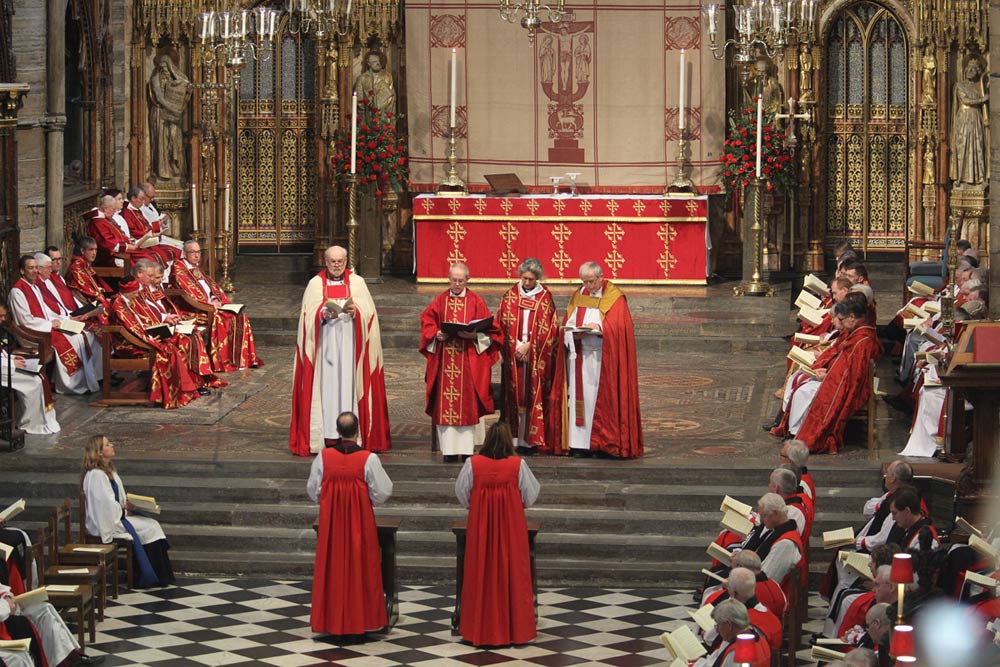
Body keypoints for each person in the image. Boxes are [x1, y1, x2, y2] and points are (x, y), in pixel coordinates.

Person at [290, 246, 390, 456]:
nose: (337, 265)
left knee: (348, 388)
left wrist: (357, 313)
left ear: (346, 261)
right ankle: (327, 434)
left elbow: (370, 317)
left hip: (351, 349)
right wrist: (322, 314)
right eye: (333, 261)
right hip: (325, 351)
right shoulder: (315, 284)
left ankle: (352, 435)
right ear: (325, 262)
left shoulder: (358, 283)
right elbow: (307, 317)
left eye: (340, 262)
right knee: (328, 390)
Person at [307, 411, 392, 635]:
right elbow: (383, 491)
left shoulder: (323, 458)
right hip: (360, 523)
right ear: (358, 431)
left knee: (331, 568)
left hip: (332, 524)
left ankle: (330, 620)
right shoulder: (368, 459)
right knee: (362, 567)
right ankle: (363, 620)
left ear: (337, 432)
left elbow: (313, 491)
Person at [454, 422, 540, 647]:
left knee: (480, 572)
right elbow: (530, 496)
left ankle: (479, 629)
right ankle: (514, 629)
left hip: (481, 528)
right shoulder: (518, 465)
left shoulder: (472, 464)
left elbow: (462, 494)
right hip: (511, 529)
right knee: (512, 574)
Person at [776, 298, 882, 453]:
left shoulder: (863, 340)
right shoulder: (856, 332)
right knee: (800, 380)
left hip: (849, 387)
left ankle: (798, 437)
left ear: (852, 317)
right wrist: (824, 370)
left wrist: (827, 376)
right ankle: (796, 432)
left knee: (805, 392)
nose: (841, 324)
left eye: (841, 320)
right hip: (836, 377)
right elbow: (843, 361)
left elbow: (853, 374)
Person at [420, 263, 502, 462]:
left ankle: (466, 451)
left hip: (468, 363)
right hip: (445, 361)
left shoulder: (476, 302)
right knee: (445, 403)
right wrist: (436, 334)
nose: (456, 284)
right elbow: (427, 324)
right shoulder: (440, 301)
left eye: (461, 281)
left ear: (468, 280)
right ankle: (448, 451)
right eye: (453, 280)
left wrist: (475, 335)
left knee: (468, 406)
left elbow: (493, 331)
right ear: (448, 279)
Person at [561, 261, 642, 459]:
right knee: (581, 400)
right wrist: (572, 333)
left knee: (604, 398)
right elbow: (568, 322)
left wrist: (599, 328)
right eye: (585, 282)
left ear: (600, 277)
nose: (588, 286)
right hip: (579, 357)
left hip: (603, 358)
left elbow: (620, 328)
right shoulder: (579, 295)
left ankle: (604, 443)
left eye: (591, 282)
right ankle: (580, 444)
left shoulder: (614, 297)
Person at [81, 435, 174, 588]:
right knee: (150, 527)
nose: (112, 445)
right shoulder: (96, 475)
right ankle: (147, 576)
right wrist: (124, 512)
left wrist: (129, 505)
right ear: (98, 452)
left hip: (116, 517)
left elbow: (117, 498)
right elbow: (105, 505)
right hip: (107, 523)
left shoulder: (109, 470)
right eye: (107, 444)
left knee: (152, 524)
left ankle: (157, 574)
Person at [9, 255, 102, 395]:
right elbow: (25, 320)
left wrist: (62, 321)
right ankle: (71, 385)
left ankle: (89, 379)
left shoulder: (33, 287)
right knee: (75, 339)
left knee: (83, 334)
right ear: (22, 271)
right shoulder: (17, 291)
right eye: (30, 268)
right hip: (31, 334)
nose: (35, 271)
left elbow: (45, 313)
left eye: (36, 268)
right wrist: (50, 325)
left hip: (44, 327)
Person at [497, 258, 562, 455]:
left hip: (535, 357)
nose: (526, 283)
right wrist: (515, 346)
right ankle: (514, 438)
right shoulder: (510, 296)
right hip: (513, 354)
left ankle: (531, 440)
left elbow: (551, 330)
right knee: (514, 396)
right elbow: (501, 323)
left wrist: (529, 347)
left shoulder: (544, 298)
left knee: (533, 394)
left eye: (531, 280)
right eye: (524, 278)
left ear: (537, 279)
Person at [109, 276, 204, 409]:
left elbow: (138, 322)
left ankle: (184, 387)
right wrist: (149, 340)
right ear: (128, 292)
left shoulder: (126, 299)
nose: (137, 294)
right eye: (135, 292)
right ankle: (167, 394)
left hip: (139, 338)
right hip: (128, 345)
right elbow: (132, 328)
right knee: (167, 351)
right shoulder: (119, 305)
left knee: (176, 341)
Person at [170, 241, 262, 372]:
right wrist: (209, 305)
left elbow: (210, 286)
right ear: (184, 254)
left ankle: (241, 359)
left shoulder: (195, 267)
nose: (196, 256)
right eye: (192, 252)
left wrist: (216, 298)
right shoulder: (179, 269)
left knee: (240, 316)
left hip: (208, 305)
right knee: (220, 318)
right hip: (192, 310)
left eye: (198, 252)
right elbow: (189, 294)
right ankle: (221, 361)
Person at [1, 582, 101, 666]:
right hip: (4, 621)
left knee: (45, 609)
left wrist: (7, 596)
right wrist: (6, 604)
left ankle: (70, 659)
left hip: (8, 612)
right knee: (18, 657)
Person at [0, 303, 59, 435]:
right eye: (0, 316)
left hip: (4, 366)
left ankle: (38, 420)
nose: (3, 320)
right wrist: (11, 364)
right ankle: (30, 423)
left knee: (39, 376)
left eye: (4, 316)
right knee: (34, 382)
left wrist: (12, 359)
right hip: (3, 370)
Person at [148, 54, 191, 181]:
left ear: (171, 67)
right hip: (161, 114)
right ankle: (164, 171)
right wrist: (172, 109)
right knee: (163, 142)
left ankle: (176, 168)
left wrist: (187, 91)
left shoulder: (176, 79)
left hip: (174, 116)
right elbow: (160, 98)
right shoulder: (155, 79)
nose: (164, 71)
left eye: (166, 68)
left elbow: (183, 92)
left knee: (175, 139)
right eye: (161, 68)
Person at [693, 599, 770, 667]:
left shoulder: (736, 652)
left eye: (718, 625)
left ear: (729, 625)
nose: (717, 630)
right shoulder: (761, 640)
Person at [950, 57, 989, 189]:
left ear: (978, 72)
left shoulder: (979, 87)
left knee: (977, 146)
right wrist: (982, 100)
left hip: (976, 118)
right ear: (965, 69)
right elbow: (965, 100)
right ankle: (961, 178)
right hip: (964, 118)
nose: (971, 71)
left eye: (974, 69)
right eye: (969, 68)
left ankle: (979, 178)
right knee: (964, 146)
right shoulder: (960, 85)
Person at [65, 236, 114, 312]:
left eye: (96, 250)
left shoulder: (84, 264)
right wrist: (102, 297)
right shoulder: (76, 268)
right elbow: (85, 289)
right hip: (83, 303)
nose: (94, 253)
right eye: (91, 250)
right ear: (82, 251)